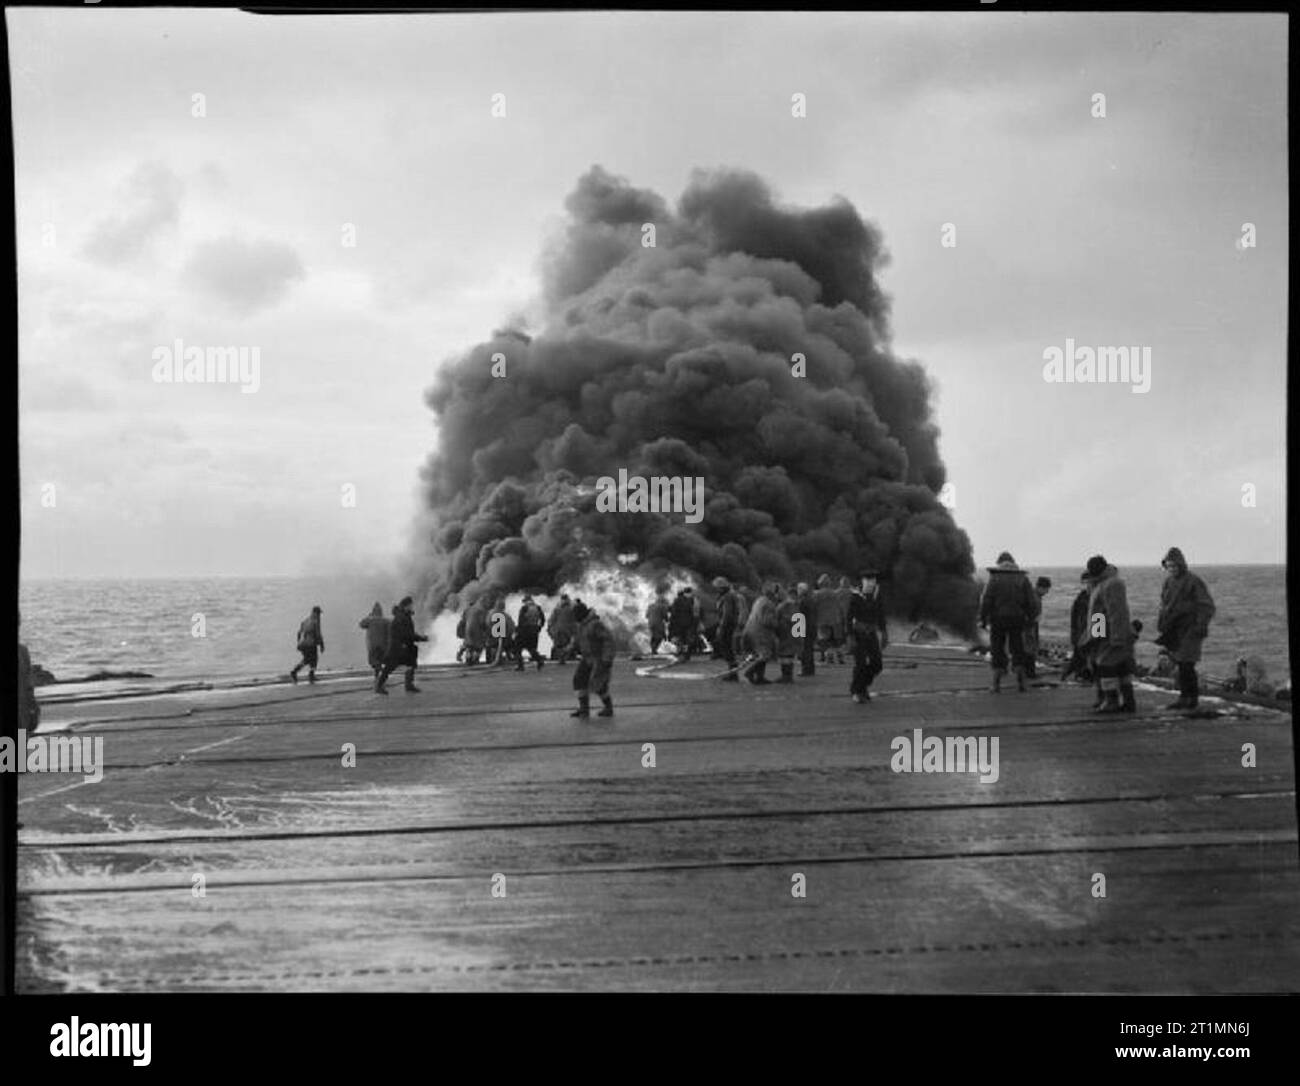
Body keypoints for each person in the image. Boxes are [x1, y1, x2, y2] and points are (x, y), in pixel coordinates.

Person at [1156, 546, 1216, 711]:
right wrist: (1162, 622)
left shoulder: (1193, 581)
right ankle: (1184, 697)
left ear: (1181, 565)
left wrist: (1200, 624)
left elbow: (1207, 605)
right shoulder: (1168, 582)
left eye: (1174, 566)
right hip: (1175, 628)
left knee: (1187, 664)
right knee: (1181, 664)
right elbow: (1164, 604)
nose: (1171, 569)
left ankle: (1191, 699)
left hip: (1190, 628)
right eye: (1169, 566)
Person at [1079, 556, 1136, 713]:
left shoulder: (1111, 584)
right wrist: (1093, 636)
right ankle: (1126, 701)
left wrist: (1116, 636)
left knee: (1107, 667)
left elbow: (1116, 612)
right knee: (1119, 667)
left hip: (1110, 633)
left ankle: (1112, 701)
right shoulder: (1105, 583)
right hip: (1105, 631)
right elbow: (1101, 613)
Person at [846, 570, 888, 704]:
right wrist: (850, 636)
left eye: (873, 580)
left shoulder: (877, 595)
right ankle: (857, 691)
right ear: (863, 581)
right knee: (860, 664)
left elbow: (881, 614)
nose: (871, 583)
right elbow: (848, 618)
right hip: (858, 633)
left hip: (871, 633)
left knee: (877, 664)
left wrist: (884, 633)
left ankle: (862, 686)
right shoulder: (856, 596)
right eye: (868, 580)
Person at [570, 601, 615, 718]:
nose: (575, 618)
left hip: (599, 659)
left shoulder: (595, 624)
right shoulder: (581, 625)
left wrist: (607, 658)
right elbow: (577, 640)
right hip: (587, 658)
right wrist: (568, 649)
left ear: (582, 614)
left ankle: (608, 708)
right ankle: (584, 709)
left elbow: (608, 641)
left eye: (576, 615)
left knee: (599, 685)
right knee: (579, 680)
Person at [376, 596, 427, 694]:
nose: (412, 607)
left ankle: (409, 685)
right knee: (390, 667)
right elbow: (406, 634)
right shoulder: (401, 618)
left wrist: (419, 637)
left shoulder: (404, 616)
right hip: (399, 647)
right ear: (406, 606)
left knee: (410, 664)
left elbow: (408, 633)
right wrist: (420, 638)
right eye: (411, 605)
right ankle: (379, 686)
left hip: (404, 646)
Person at [741, 582, 779, 685]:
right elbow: (767, 620)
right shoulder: (768, 604)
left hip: (750, 629)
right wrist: (777, 623)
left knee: (761, 655)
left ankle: (760, 677)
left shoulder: (759, 600)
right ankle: (749, 672)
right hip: (760, 632)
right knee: (765, 655)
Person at [1022, 577, 1052, 679]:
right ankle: (1030, 673)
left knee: (1029, 648)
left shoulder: (1033, 596)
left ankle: (1027, 671)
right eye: (1046, 589)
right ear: (1040, 587)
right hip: (1030, 625)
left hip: (1029, 624)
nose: (1047, 592)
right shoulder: (1034, 597)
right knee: (1030, 648)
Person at [713, 577, 740, 681]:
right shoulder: (729, 596)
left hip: (727, 626)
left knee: (727, 649)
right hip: (729, 625)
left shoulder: (727, 597)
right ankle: (732, 673)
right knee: (727, 649)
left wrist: (721, 627)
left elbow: (727, 614)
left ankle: (733, 673)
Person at [813, 574, 844, 664]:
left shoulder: (817, 594)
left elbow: (814, 606)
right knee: (835, 640)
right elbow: (840, 606)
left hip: (822, 619)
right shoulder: (835, 593)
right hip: (835, 619)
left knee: (824, 640)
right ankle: (840, 656)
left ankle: (828, 656)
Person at [290, 605, 324, 684]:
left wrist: (298, 643)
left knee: (308, 659)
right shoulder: (315, 621)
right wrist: (322, 645)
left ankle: (308, 674)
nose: (319, 615)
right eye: (319, 613)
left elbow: (299, 633)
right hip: (311, 644)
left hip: (303, 644)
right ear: (316, 613)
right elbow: (318, 634)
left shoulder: (305, 620)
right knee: (313, 659)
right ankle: (297, 672)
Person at [774, 584, 801, 684]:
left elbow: (779, 618)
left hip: (786, 633)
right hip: (792, 633)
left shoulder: (784, 605)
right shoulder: (794, 604)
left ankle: (786, 676)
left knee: (785, 656)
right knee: (789, 655)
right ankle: (788, 676)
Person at [359, 602, 391, 681]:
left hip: (372, 645)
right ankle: (378, 675)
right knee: (380, 660)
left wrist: (369, 616)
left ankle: (379, 672)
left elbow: (361, 624)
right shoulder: (386, 621)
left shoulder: (370, 620)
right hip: (383, 645)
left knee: (373, 661)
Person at [515, 594, 546, 671]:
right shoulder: (538, 608)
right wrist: (539, 627)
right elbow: (543, 619)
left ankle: (520, 665)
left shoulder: (524, 608)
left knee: (518, 648)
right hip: (534, 630)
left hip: (525, 630)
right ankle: (539, 660)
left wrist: (518, 631)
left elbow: (521, 621)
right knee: (531, 648)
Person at [669, 588, 699, 661]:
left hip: (679, 624)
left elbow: (673, 613)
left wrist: (672, 623)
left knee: (682, 639)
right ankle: (686, 655)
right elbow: (694, 612)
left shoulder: (676, 601)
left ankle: (683, 654)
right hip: (688, 624)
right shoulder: (691, 600)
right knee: (687, 640)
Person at [796, 582, 818, 677]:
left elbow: (799, 615)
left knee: (804, 650)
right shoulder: (811, 600)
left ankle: (805, 669)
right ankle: (810, 669)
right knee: (809, 649)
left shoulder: (802, 601)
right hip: (812, 626)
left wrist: (796, 630)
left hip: (804, 627)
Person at [548, 594, 577, 663]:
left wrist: (550, 629)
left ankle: (561, 658)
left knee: (559, 644)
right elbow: (574, 620)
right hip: (568, 630)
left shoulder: (557, 608)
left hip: (558, 629)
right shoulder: (571, 608)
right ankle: (564, 657)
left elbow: (551, 620)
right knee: (566, 644)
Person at [463, 594, 490, 665]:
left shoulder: (467, 609)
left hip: (468, 629)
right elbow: (482, 622)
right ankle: (475, 659)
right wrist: (486, 631)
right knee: (479, 646)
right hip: (476, 629)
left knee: (469, 645)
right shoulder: (481, 610)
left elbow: (463, 620)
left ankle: (468, 659)